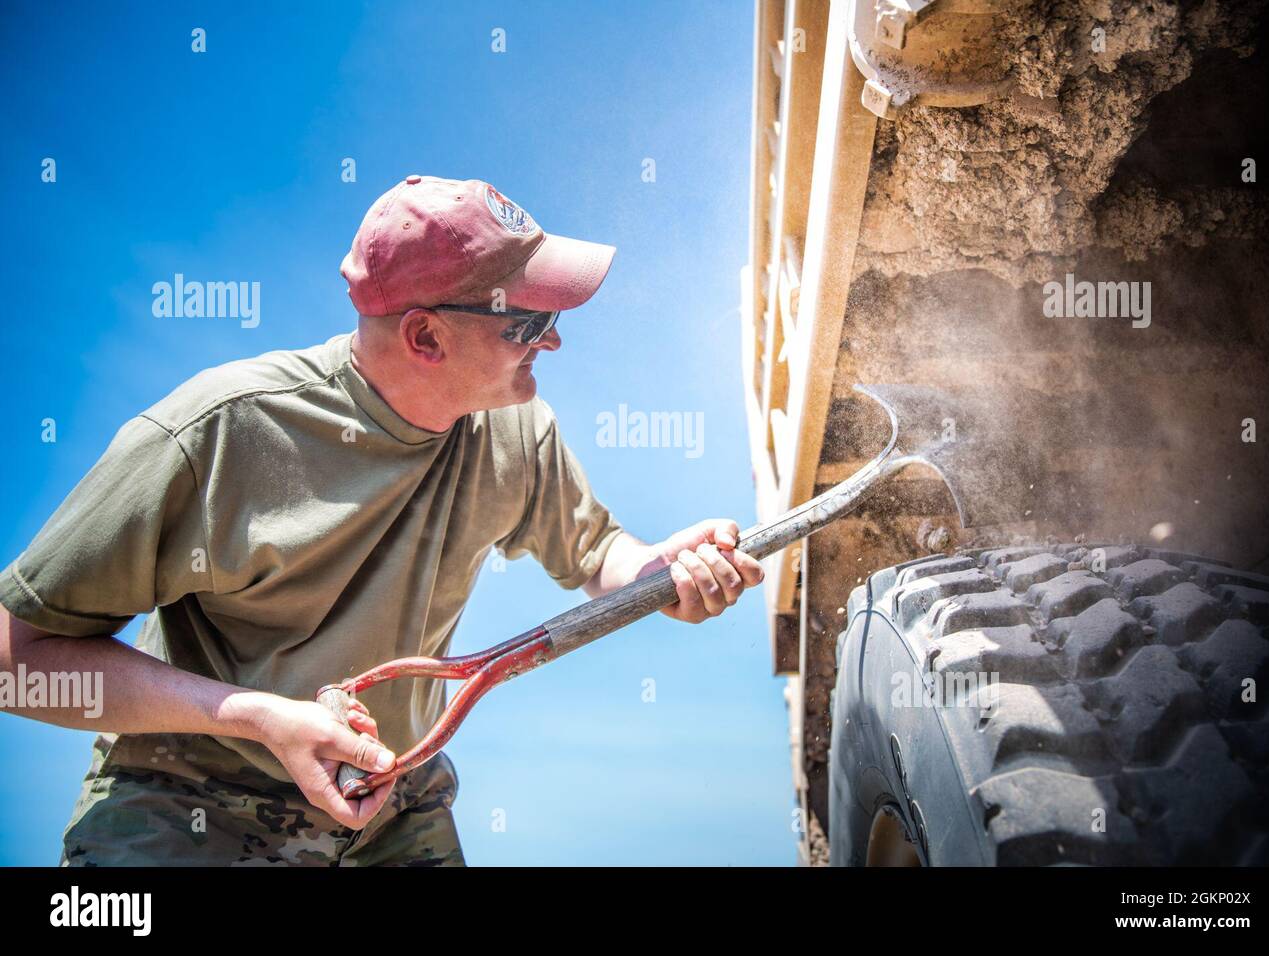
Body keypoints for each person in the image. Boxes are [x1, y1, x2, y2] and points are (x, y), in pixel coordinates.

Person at [0, 175, 763, 866]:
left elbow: (597, 554)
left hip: (392, 802)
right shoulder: (217, 434)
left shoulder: (514, 431)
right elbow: (15, 660)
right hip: (184, 803)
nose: (554, 338)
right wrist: (261, 719)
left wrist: (659, 572)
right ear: (426, 336)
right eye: (526, 323)